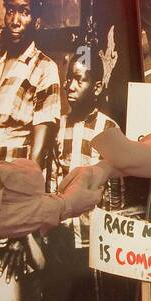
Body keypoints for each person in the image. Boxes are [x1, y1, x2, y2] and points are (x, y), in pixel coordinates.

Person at [0, 0, 61, 170]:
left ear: (37, 21)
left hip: (12, 173)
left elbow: (39, 148)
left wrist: (27, 190)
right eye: (10, 10)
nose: (15, 21)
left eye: (24, 12)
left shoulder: (44, 68)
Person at [49, 49, 121, 245]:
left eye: (79, 80)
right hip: (63, 235)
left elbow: (116, 193)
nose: (70, 86)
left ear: (96, 88)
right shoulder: (59, 127)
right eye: (69, 79)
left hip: (97, 236)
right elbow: (53, 180)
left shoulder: (109, 129)